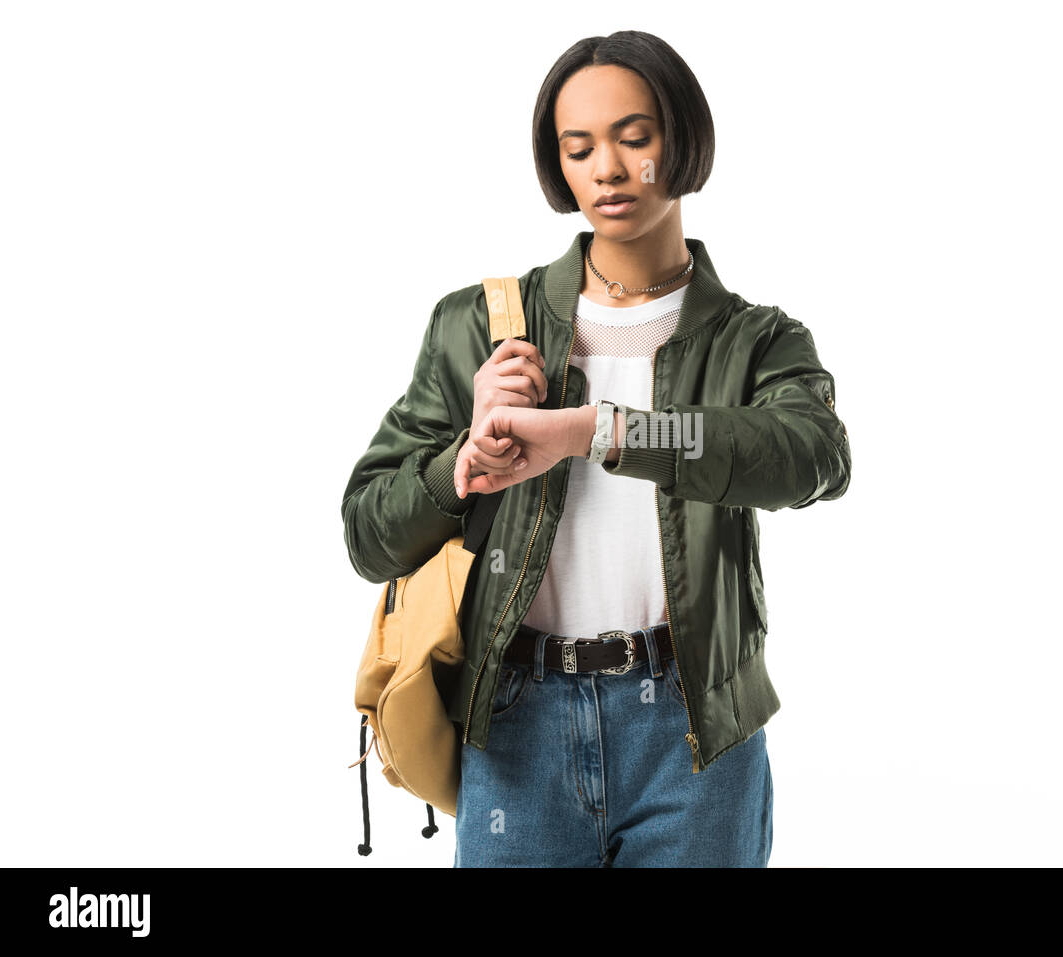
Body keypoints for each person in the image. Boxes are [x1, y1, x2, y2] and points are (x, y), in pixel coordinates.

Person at [340, 30, 851, 867]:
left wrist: (597, 430)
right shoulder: (478, 325)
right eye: (579, 149)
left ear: (680, 140)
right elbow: (367, 533)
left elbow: (814, 457)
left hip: (696, 732)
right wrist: (458, 465)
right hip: (516, 728)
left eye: (634, 138)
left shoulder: (754, 339)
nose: (607, 169)